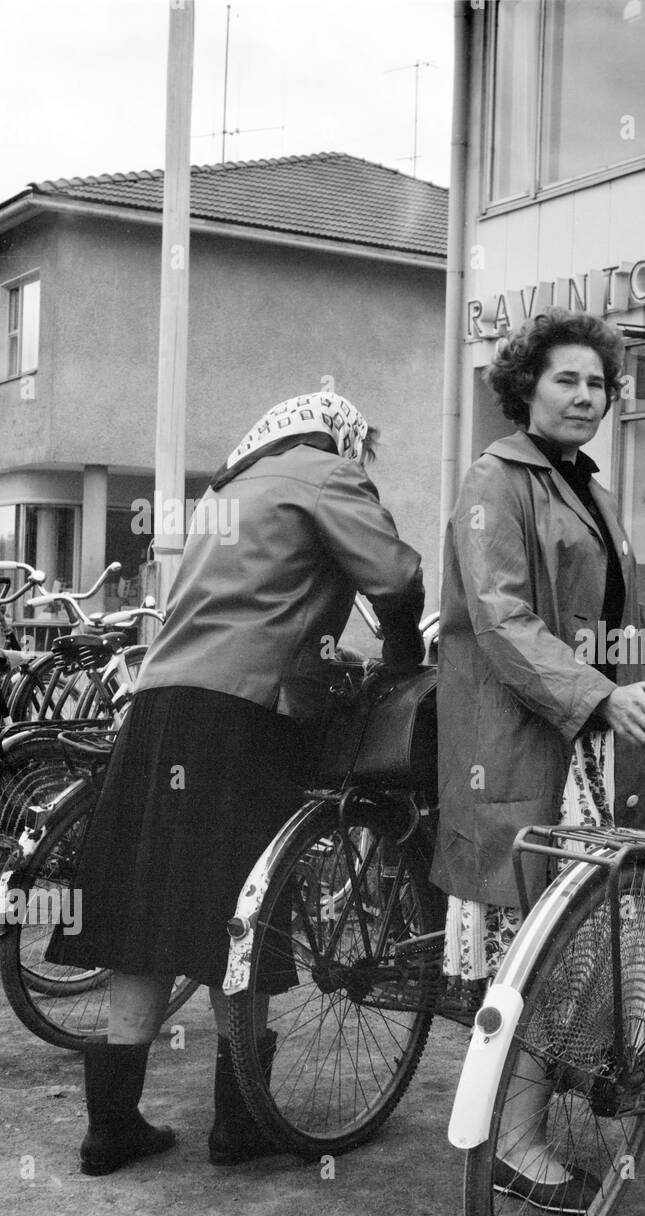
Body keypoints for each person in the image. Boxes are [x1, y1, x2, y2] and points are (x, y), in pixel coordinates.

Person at [47, 392, 426, 1176]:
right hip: (240, 719)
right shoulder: (322, 472)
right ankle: (238, 1124)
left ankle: (110, 1128)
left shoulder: (230, 489)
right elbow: (394, 577)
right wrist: (398, 654)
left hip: (158, 711)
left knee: (146, 912)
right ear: (341, 436)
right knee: (239, 918)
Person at [432, 308, 645, 1208]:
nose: (586, 396)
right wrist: (602, 699)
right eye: (566, 379)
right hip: (519, 746)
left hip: (578, 747)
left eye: (598, 384)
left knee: (573, 942)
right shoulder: (494, 481)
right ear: (524, 388)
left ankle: (523, 1126)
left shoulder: (584, 490)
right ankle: (517, 1146)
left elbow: (601, 633)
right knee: (542, 950)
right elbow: (502, 621)